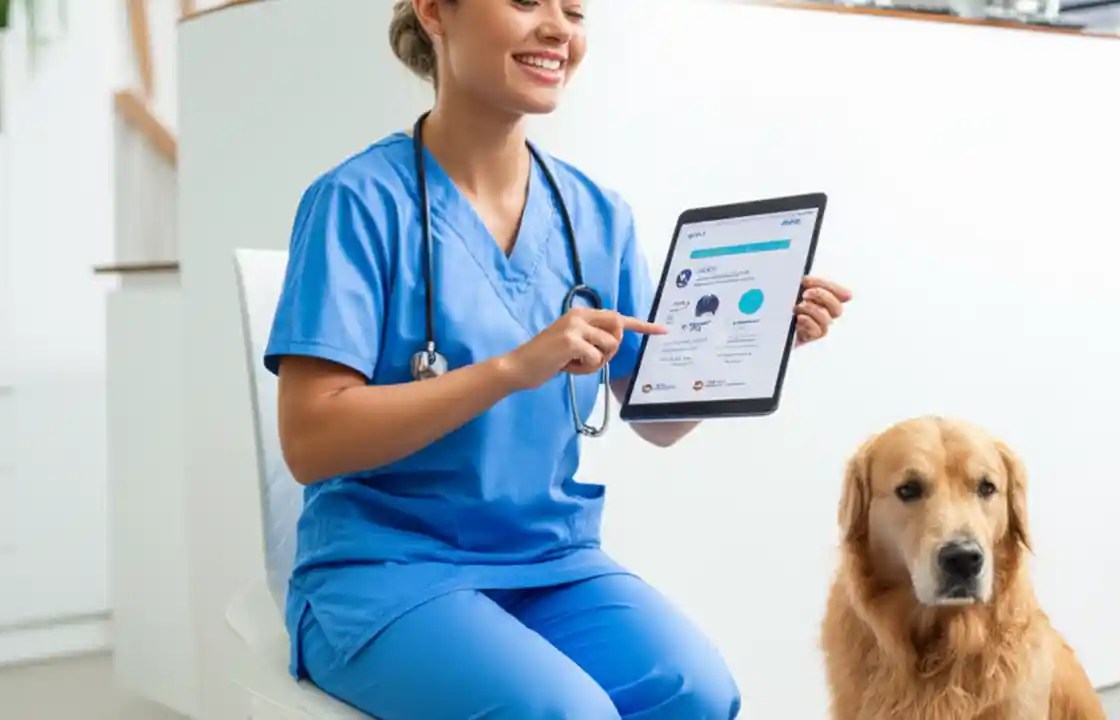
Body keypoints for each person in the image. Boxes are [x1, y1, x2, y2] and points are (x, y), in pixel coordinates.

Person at [263, 1, 853, 718]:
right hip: (384, 571)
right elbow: (310, 440)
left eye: (574, 10)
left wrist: (758, 347)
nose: (558, 29)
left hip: (550, 564)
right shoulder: (355, 202)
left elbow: (654, 418)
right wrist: (515, 367)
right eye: (524, 1)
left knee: (697, 693)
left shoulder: (593, 215)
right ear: (433, 12)